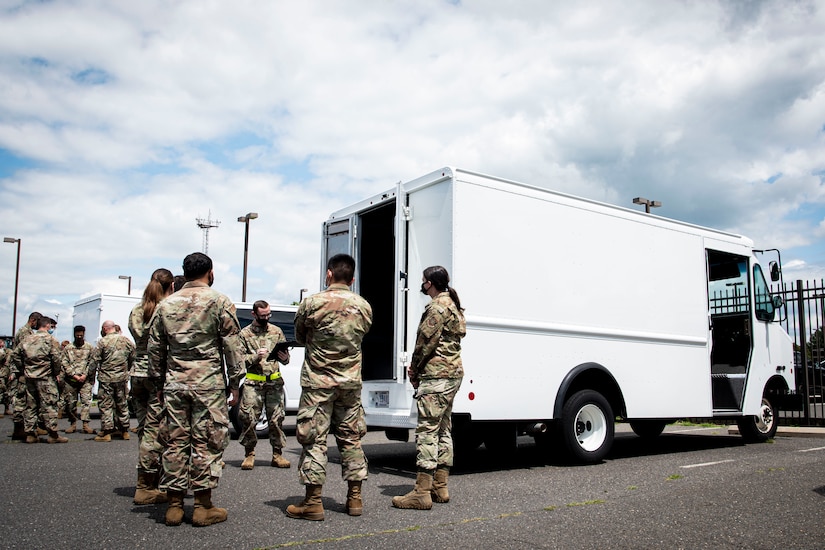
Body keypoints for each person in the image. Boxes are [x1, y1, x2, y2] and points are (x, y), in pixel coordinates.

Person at [147, 252, 244, 527]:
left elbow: (155, 350)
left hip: (175, 384)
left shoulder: (166, 305)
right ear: (210, 272)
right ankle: (202, 506)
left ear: (184, 272)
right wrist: (235, 384)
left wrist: (158, 385)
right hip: (208, 385)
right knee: (206, 442)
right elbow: (232, 347)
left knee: (175, 441)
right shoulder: (219, 301)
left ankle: (175, 505)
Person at [286, 253, 373, 521]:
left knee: (314, 439)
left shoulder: (312, 303)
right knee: (351, 438)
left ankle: (313, 502)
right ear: (353, 277)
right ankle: (354, 499)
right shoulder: (363, 306)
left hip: (318, 384)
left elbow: (300, 335)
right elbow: (363, 333)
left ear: (328, 274)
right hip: (349, 383)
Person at [392, 265, 466, 510]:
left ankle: (421, 492)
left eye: (423, 281)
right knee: (443, 430)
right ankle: (440, 487)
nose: (421, 285)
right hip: (452, 375)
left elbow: (425, 342)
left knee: (427, 432)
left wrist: (413, 369)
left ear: (430, 283)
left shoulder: (436, 307)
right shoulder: (453, 305)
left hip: (436, 377)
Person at [129, 268, 174, 505]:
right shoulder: (165, 309)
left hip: (137, 373)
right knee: (155, 431)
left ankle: (150, 479)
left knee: (146, 427)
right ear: (171, 286)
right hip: (157, 374)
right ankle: (145, 486)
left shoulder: (137, 310)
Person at [238, 300, 292, 470]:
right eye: (263, 316)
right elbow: (239, 361)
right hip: (253, 384)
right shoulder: (245, 334)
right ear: (254, 314)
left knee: (276, 420)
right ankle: (249, 454)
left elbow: (285, 359)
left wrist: (284, 359)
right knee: (248, 418)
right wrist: (255, 356)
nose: (267, 318)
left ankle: (277, 454)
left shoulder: (276, 331)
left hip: (274, 383)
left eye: (269, 314)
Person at [9, 315, 67, 444]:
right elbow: (56, 359)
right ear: (47, 326)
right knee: (49, 405)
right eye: (51, 326)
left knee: (31, 405)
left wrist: (23, 367)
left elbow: (15, 354)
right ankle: (53, 434)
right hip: (45, 377)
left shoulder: (27, 339)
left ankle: (30, 434)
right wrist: (56, 372)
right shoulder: (51, 340)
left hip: (29, 377)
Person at [90, 320, 135, 441]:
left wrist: (91, 376)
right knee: (122, 403)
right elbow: (133, 357)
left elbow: (95, 361)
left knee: (106, 405)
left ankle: (107, 432)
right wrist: (126, 370)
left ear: (105, 329)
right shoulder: (126, 341)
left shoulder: (102, 342)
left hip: (106, 379)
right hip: (122, 378)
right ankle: (124, 430)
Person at [9, 312, 41, 439]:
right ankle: (18, 429)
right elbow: (21, 353)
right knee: (21, 400)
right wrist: (23, 367)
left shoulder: (28, 332)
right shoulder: (25, 333)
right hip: (22, 372)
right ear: (33, 320)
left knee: (27, 400)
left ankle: (24, 427)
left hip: (25, 371)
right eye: (37, 322)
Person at [59, 325, 95, 434]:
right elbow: (64, 363)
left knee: (86, 402)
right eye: (77, 335)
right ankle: (73, 424)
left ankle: (85, 424)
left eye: (81, 335)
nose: (79, 337)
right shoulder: (68, 348)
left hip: (85, 380)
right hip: (71, 380)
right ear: (74, 334)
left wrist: (85, 375)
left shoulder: (89, 347)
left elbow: (92, 362)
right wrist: (74, 375)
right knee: (70, 403)